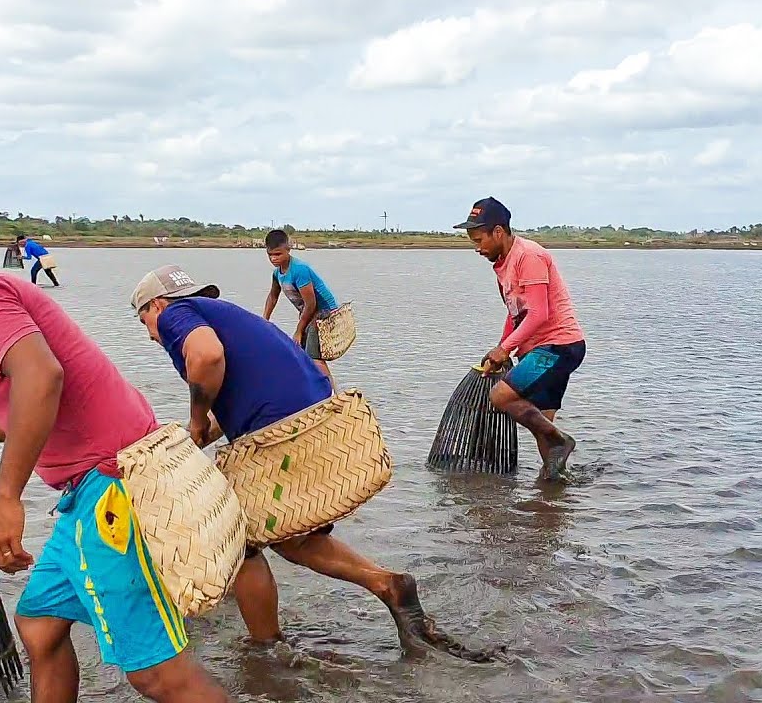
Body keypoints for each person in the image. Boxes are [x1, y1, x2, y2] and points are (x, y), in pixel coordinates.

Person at [0, 213, 230, 703]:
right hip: (86, 496)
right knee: (39, 624)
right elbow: (28, 406)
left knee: (156, 673)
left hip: (109, 491)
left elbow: (41, 378)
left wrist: (5, 498)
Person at [130, 264, 497, 663]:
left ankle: (266, 650)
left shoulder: (174, 315)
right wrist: (195, 434)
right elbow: (243, 392)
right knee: (294, 539)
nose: (151, 333)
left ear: (157, 304)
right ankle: (389, 586)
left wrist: (197, 418)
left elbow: (206, 356)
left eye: (144, 319)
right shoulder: (223, 316)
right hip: (311, 411)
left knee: (240, 541)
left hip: (284, 427)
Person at [454, 197, 587, 482]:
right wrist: (499, 350)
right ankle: (552, 493)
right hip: (539, 349)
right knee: (542, 424)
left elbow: (539, 314)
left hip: (558, 346)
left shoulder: (529, 256)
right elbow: (514, 314)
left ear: (498, 232)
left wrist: (505, 348)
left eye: (480, 240)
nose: (477, 248)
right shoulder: (502, 265)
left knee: (500, 396)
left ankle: (562, 442)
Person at [261, 229, 337, 385]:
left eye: (278, 254)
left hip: (323, 311)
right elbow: (273, 296)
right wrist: (264, 320)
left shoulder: (299, 270)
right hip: (309, 313)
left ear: (288, 250)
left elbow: (311, 303)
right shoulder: (277, 274)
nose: (274, 259)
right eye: (270, 255)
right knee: (299, 354)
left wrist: (298, 330)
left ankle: (332, 396)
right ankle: (310, 392)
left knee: (314, 356)